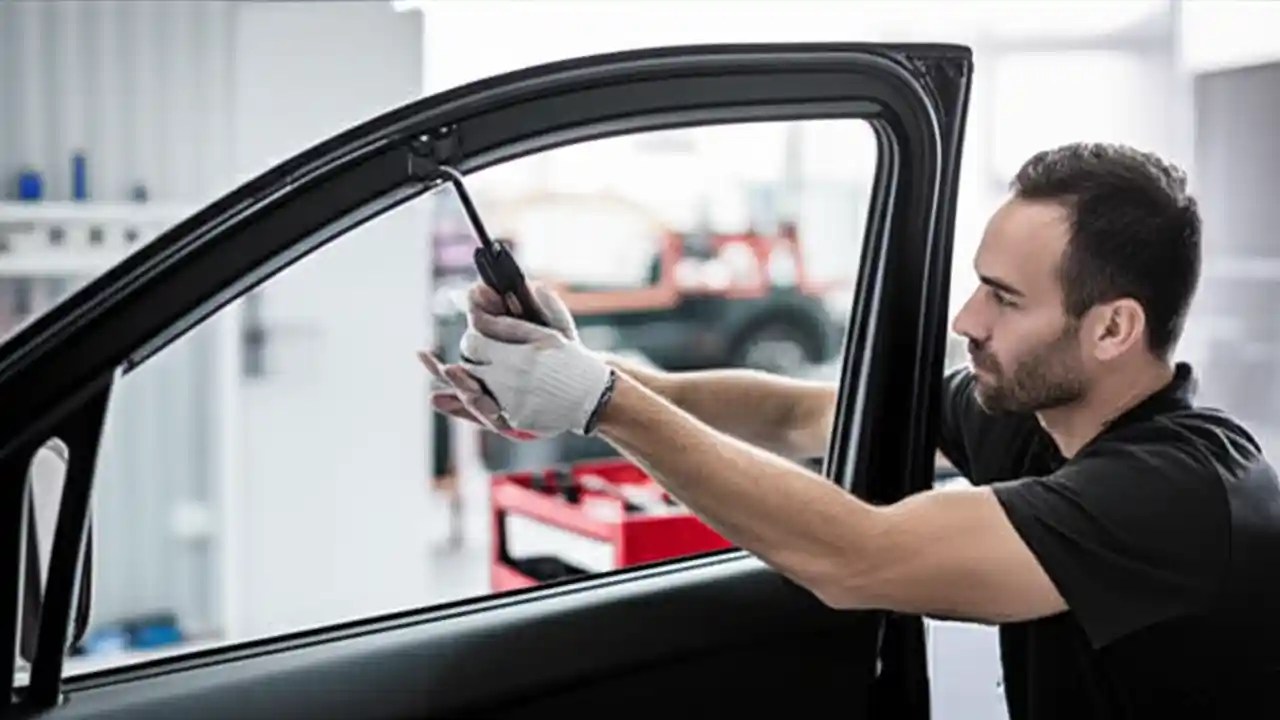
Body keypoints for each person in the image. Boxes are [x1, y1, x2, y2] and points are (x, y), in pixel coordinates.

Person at [418, 142, 1280, 719]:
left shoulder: (1176, 495)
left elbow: (857, 557)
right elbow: (801, 414)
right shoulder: (1037, 416)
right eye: (980, 284)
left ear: (1113, 329)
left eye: (1006, 299)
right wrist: (588, 369)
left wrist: (600, 401)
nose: (966, 318)